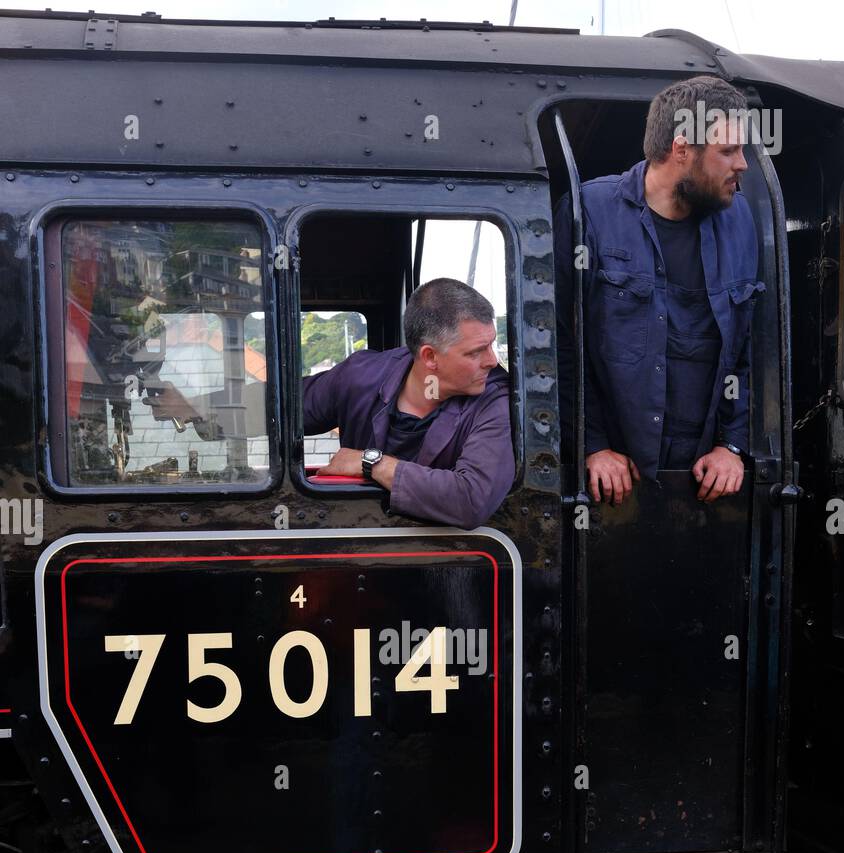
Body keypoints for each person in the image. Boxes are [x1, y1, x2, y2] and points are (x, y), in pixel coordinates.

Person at [557, 76, 763, 505]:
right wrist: (591, 445)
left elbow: (746, 350)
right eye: (728, 151)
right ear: (682, 150)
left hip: (703, 482)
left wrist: (732, 445)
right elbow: (559, 344)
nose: (742, 164)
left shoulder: (740, 219)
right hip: (610, 481)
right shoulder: (588, 213)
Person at [305, 278, 514, 529]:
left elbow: (471, 500)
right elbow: (270, 407)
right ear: (430, 356)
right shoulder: (360, 376)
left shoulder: (496, 398)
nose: (492, 361)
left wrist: (372, 463)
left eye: (491, 344)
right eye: (476, 352)